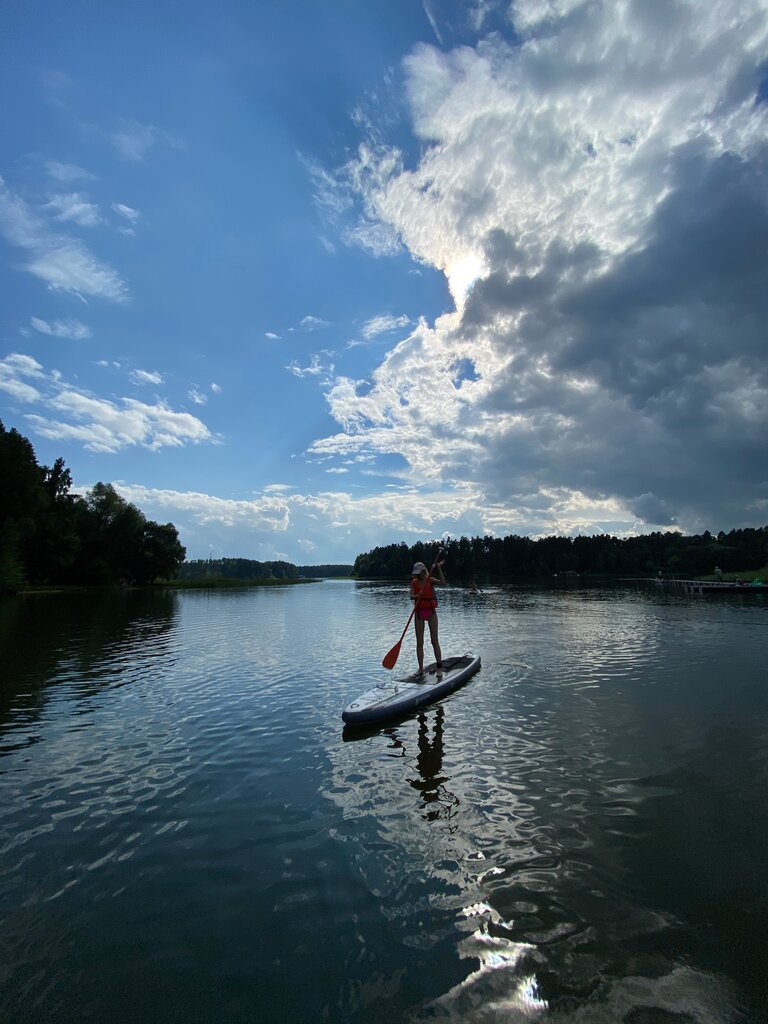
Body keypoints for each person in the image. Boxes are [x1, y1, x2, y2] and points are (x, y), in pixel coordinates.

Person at [410, 557, 446, 677]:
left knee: (434, 640)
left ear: (423, 571)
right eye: (416, 573)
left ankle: (439, 668)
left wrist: (439, 568)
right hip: (419, 613)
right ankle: (420, 669)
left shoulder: (429, 580)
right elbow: (411, 596)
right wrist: (417, 595)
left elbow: (443, 583)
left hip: (430, 612)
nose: (417, 575)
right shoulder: (413, 582)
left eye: (418, 573)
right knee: (419, 642)